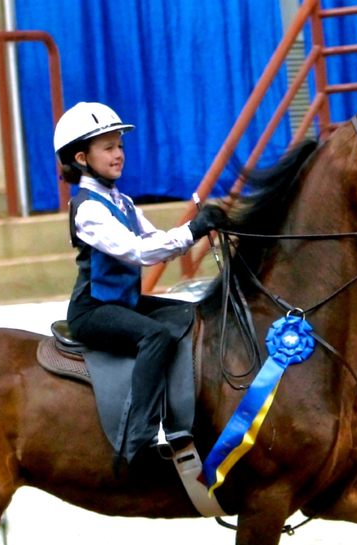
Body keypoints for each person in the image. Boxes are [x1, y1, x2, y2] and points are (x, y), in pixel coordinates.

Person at [53, 101, 225, 461]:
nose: (118, 155)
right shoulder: (88, 209)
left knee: (189, 317)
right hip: (94, 310)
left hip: (125, 302)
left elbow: (155, 241)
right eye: (109, 148)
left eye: (120, 146)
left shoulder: (124, 202)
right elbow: (137, 252)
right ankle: (139, 437)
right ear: (82, 159)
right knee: (155, 336)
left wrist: (196, 229)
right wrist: (192, 230)